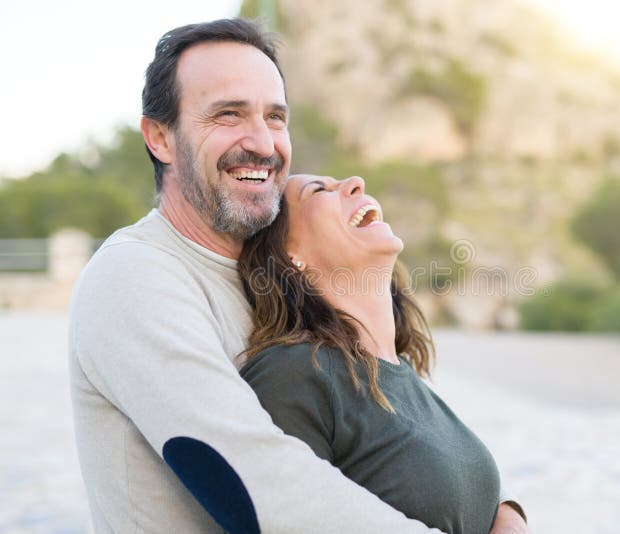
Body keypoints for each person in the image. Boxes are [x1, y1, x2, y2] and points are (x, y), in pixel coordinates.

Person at [68, 18, 527, 533]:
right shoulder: (136, 276)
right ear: (160, 137)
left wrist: (500, 511)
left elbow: (405, 431)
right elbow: (259, 483)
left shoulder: (276, 276)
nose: (262, 142)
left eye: (275, 116)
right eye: (228, 114)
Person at [238, 173, 503, 533]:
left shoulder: (401, 368)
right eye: (318, 191)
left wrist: (509, 515)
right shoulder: (293, 374)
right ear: (289, 255)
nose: (356, 182)